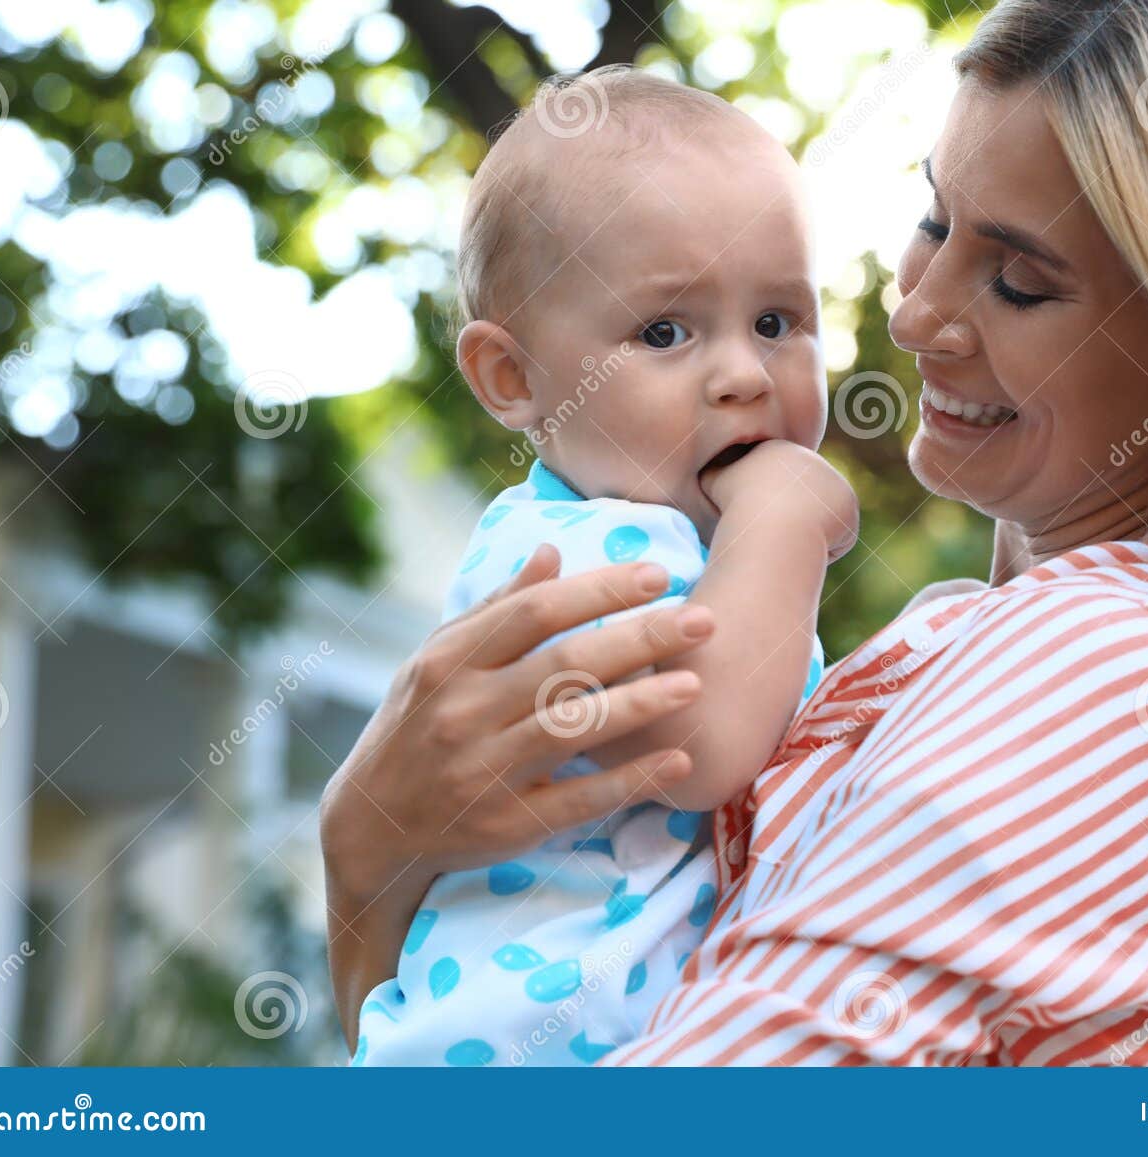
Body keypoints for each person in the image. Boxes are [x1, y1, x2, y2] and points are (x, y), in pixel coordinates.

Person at [323, 0, 1148, 1065]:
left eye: (1018, 282)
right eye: (935, 221)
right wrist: (366, 855)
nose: (914, 311)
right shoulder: (1000, 642)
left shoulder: (1106, 672)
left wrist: (365, 863)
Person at [349, 68, 858, 1066]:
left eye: (778, 321)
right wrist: (787, 523)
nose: (745, 375)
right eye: (665, 331)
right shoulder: (584, 548)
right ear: (514, 377)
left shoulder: (681, 545)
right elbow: (707, 746)